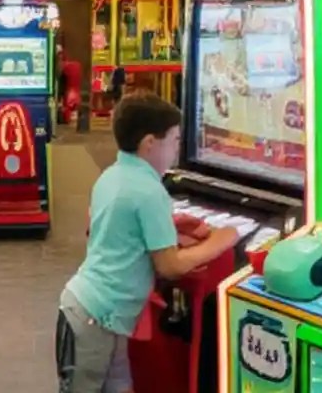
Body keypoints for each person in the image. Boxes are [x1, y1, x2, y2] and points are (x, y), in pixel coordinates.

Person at [56, 93, 238, 393]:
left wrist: (174, 232)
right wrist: (223, 239)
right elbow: (169, 266)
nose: (178, 149)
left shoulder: (113, 175)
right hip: (96, 320)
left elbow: (125, 231)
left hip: (93, 312)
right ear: (150, 143)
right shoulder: (149, 190)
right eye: (175, 140)